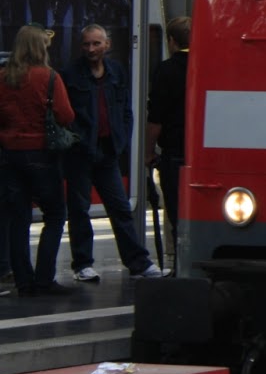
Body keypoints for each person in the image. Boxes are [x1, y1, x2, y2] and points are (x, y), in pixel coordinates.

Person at [61, 23, 165, 282]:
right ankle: (83, 264)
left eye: (96, 43)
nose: (91, 49)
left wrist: (121, 139)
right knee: (79, 209)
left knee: (119, 208)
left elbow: (125, 110)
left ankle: (138, 263)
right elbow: (66, 114)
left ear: (107, 45)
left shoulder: (116, 71)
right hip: (81, 152)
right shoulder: (71, 74)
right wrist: (78, 140)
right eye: (86, 44)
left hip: (107, 151)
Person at [0, 24, 74, 296]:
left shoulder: (3, 77)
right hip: (41, 153)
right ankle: (44, 279)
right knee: (55, 215)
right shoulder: (48, 77)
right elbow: (66, 116)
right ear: (39, 47)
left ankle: (23, 281)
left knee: (18, 218)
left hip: (10, 155)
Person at [146, 16, 189, 247]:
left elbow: (156, 118)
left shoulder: (166, 70)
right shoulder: (209, 65)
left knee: (176, 210)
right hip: (202, 152)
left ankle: (180, 264)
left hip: (174, 151)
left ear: (172, 41)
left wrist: (148, 152)